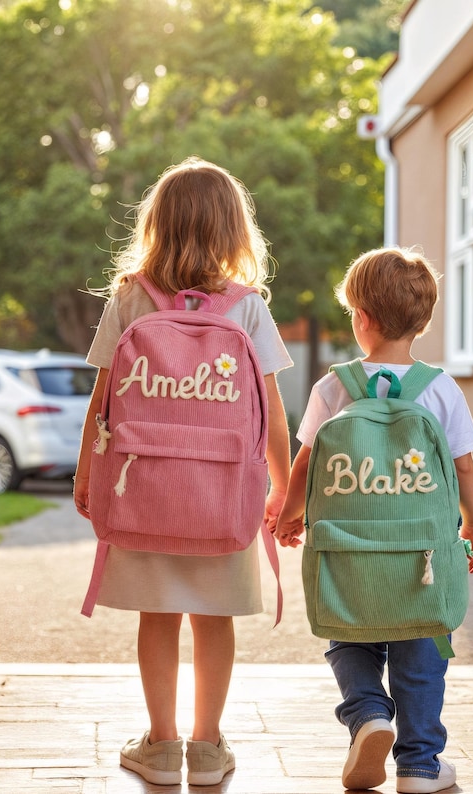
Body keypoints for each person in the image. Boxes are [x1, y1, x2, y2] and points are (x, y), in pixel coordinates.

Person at [73, 157, 292, 787]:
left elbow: (103, 398)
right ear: (234, 230)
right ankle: (208, 745)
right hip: (222, 497)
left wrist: (89, 473)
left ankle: (162, 745)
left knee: (158, 616)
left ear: (157, 224)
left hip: (143, 492)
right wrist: (279, 488)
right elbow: (272, 412)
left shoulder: (131, 296)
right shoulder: (247, 307)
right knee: (213, 618)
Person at [275, 246, 473, 794]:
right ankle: (419, 766)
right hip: (422, 560)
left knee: (347, 636)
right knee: (423, 647)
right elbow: (464, 469)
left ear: (362, 319)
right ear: (422, 320)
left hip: (348, 552)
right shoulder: (441, 389)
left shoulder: (334, 387)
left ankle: (369, 711)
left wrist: (290, 515)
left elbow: (305, 463)